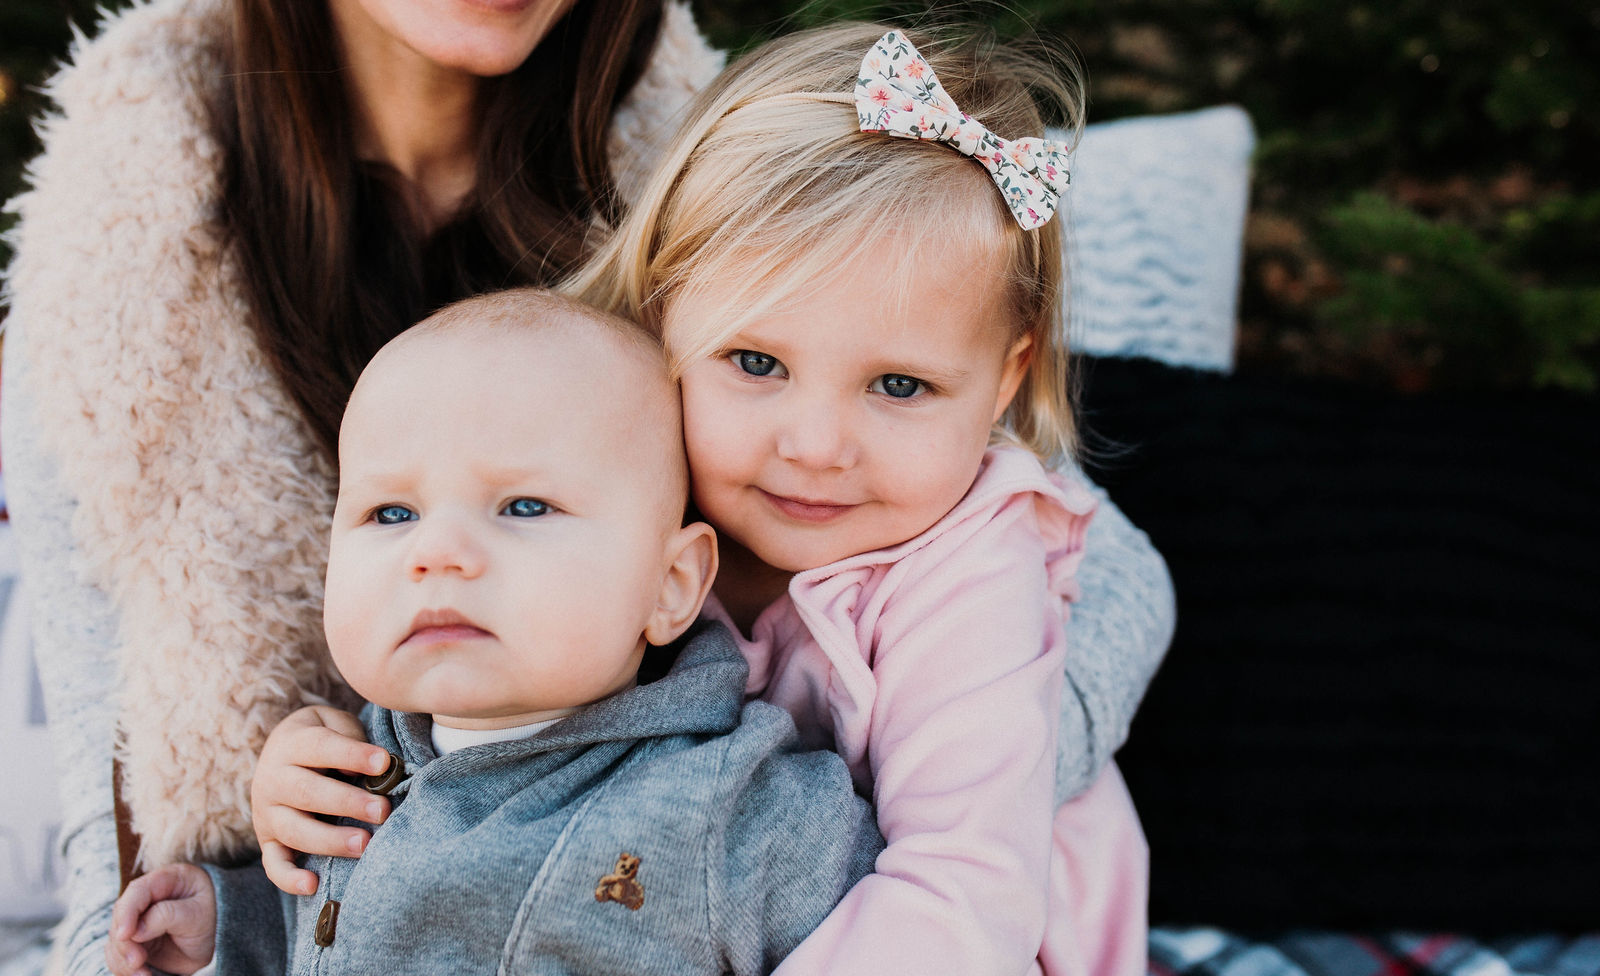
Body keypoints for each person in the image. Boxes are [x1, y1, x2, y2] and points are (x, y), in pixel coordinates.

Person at [4, 0, 1170, 973]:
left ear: (1003, 380)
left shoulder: (964, 568)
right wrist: (314, 773)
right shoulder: (647, 433)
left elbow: (960, 898)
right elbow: (486, 748)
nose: (817, 444)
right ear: (665, 318)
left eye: (901, 386)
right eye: (756, 363)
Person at [104, 290, 883, 976]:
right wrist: (229, 920)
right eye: (392, 513)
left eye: (523, 507)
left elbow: (903, 935)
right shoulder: (347, 773)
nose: (436, 552)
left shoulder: (731, 803)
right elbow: (330, 921)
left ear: (671, 584)